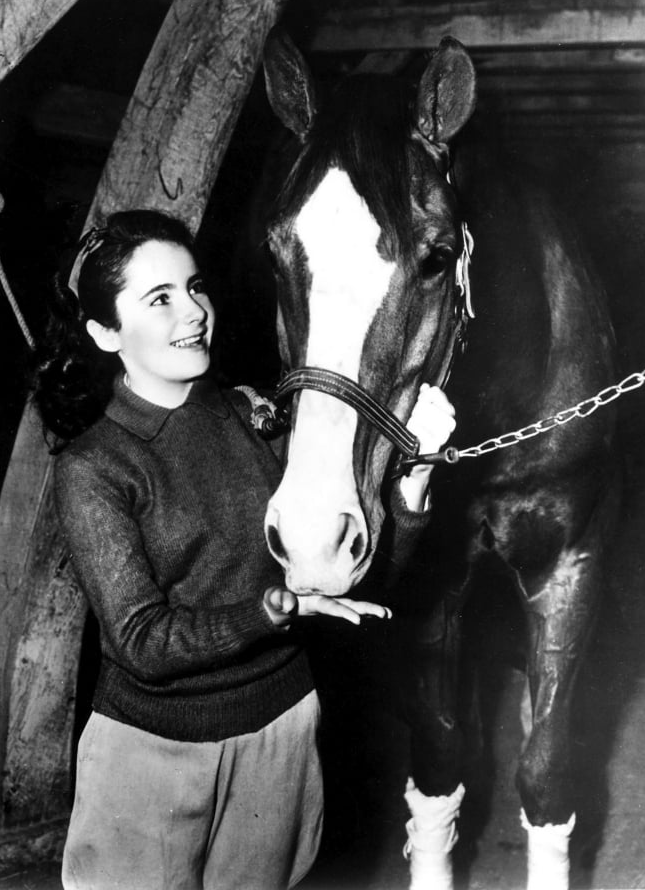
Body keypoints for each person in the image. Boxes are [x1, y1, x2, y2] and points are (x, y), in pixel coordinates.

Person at [31, 210, 456, 890]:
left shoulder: (249, 415)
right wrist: (276, 609)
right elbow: (142, 641)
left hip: (282, 732)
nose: (193, 312)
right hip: (154, 750)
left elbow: (364, 581)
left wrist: (417, 476)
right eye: (159, 299)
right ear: (105, 332)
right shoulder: (95, 467)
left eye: (194, 286)